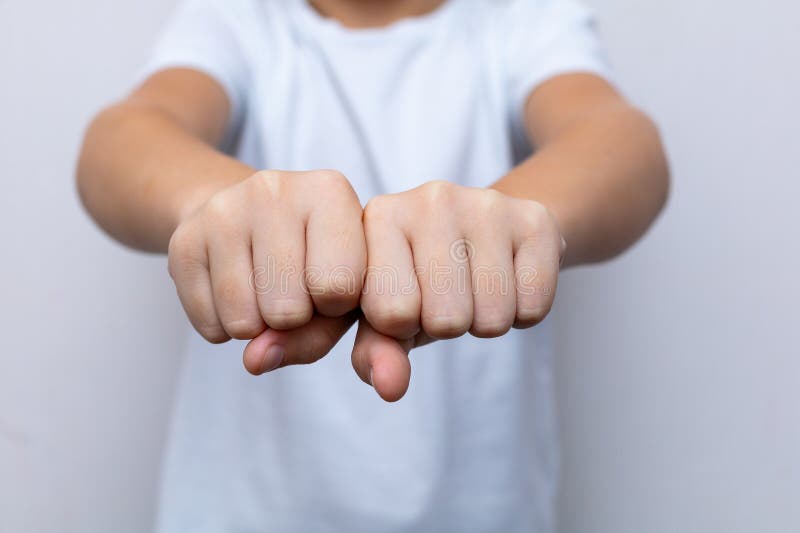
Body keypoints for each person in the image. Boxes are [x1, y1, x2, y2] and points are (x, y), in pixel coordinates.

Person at [77, 0, 669, 531]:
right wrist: (224, 205)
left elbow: (619, 142)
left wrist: (519, 218)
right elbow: (123, 138)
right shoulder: (238, 19)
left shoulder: (521, 20)